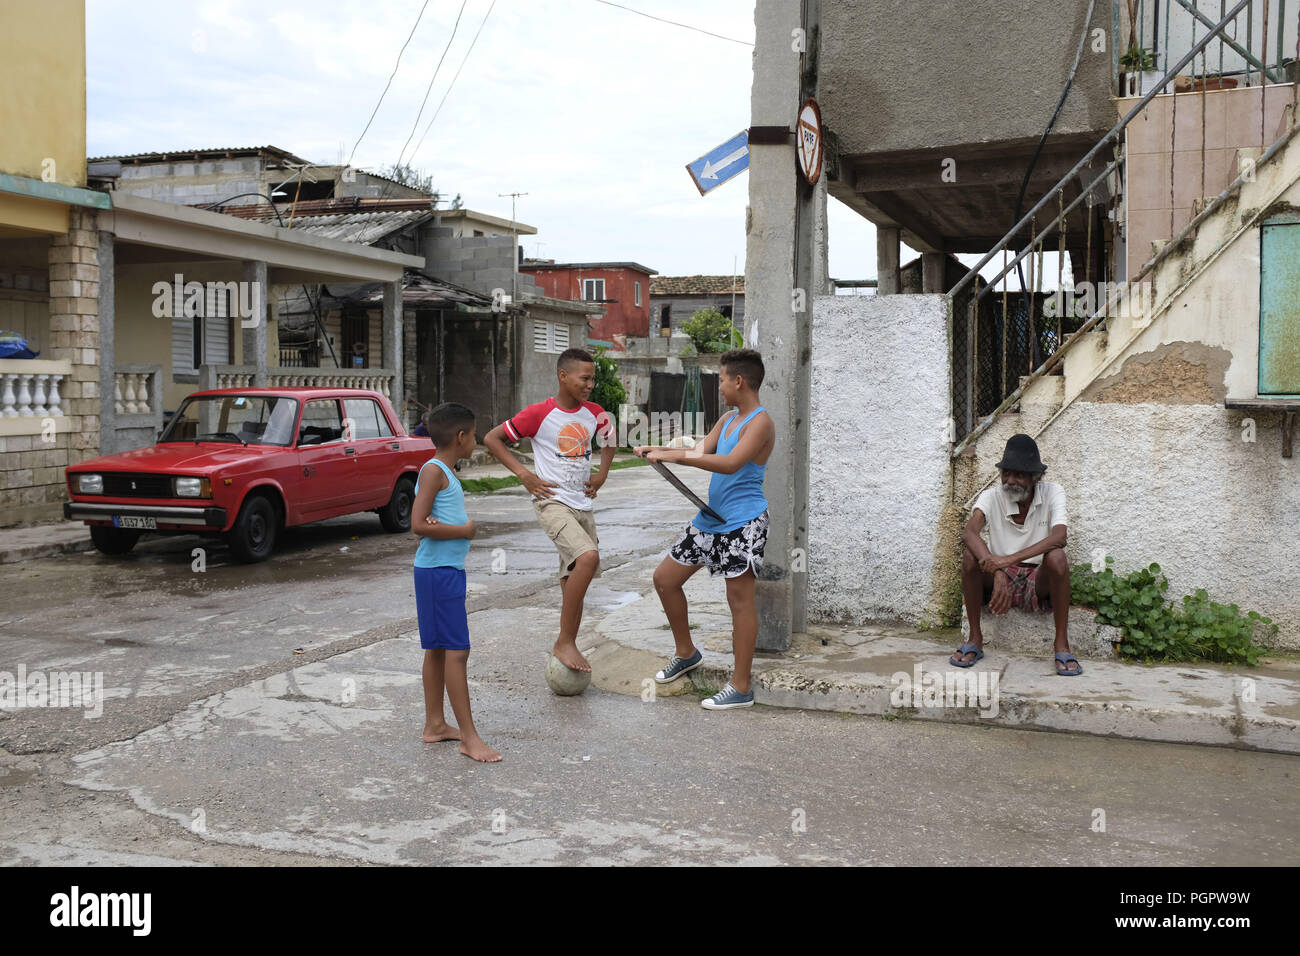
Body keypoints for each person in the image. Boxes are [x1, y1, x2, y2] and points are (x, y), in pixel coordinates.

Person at [637, 348, 774, 710]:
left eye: (723, 379)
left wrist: (676, 456)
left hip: (743, 524)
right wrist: (661, 449)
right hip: (709, 519)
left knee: (739, 602)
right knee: (665, 579)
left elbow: (729, 463)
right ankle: (686, 652)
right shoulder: (727, 420)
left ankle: (740, 686)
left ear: (739, 381)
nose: (720, 387)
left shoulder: (760, 422)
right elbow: (701, 451)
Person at [483, 348, 616, 673]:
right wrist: (524, 474)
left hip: (583, 505)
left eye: (592, 378)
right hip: (552, 501)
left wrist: (602, 473)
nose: (590, 384)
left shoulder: (596, 413)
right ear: (563, 376)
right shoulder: (539, 413)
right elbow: (492, 438)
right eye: (584, 378)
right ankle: (565, 641)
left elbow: (610, 439)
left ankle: (568, 645)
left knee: (573, 579)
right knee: (588, 558)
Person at [411, 402, 501, 762]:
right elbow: (418, 524)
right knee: (457, 652)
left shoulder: (441, 469)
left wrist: (446, 527)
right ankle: (469, 737)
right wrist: (464, 530)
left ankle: (435, 725)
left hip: (438, 572)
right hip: (439, 573)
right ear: (461, 436)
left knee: (436, 649)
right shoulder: (435, 471)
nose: (477, 441)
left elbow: (427, 518)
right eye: (475, 434)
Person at [951, 433, 1081, 676]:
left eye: (1019, 475)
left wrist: (1008, 559)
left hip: (1037, 579)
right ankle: (975, 639)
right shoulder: (991, 496)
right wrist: (999, 570)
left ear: (1034, 478)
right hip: (997, 576)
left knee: (1057, 557)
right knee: (970, 557)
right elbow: (969, 532)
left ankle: (1061, 644)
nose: (1010, 480)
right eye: (1006, 473)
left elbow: (1060, 537)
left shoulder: (1053, 492)